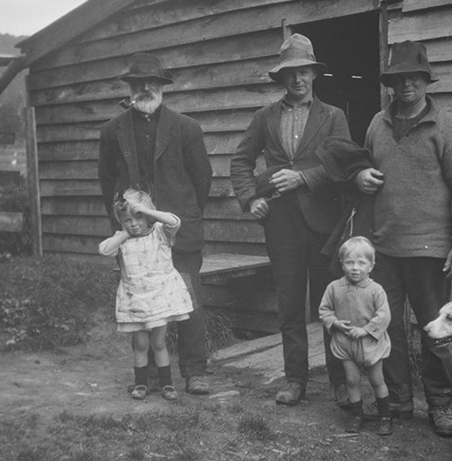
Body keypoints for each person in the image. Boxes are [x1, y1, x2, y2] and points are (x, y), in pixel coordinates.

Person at [355, 40, 452, 436]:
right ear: (390, 83)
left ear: (426, 80)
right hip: (384, 247)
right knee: (386, 327)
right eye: (398, 78)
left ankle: (440, 405)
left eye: (414, 77)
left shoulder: (446, 127)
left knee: (436, 331)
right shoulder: (377, 123)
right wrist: (360, 176)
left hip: (430, 249)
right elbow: (362, 167)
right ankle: (399, 400)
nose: (406, 84)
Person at [230, 34, 351, 407]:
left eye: (305, 72)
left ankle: (340, 382)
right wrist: (251, 200)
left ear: (314, 75)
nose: (298, 80)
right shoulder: (264, 117)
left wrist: (304, 178)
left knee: (331, 303)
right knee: (289, 304)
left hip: (323, 225)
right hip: (281, 225)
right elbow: (240, 162)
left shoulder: (333, 117)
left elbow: (343, 164)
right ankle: (295, 380)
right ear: (282, 78)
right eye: (291, 73)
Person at [99, 53, 213, 395]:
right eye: (137, 84)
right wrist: (126, 227)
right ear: (129, 89)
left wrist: (182, 218)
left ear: (163, 87)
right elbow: (107, 183)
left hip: (178, 233)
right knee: (141, 303)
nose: (144, 89)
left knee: (188, 300)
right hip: (135, 236)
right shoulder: (111, 132)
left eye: (151, 83)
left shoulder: (186, 129)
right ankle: (147, 375)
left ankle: (194, 371)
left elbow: (202, 180)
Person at [99, 189, 194, 401]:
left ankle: (167, 384)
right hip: (135, 300)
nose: (133, 223)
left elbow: (174, 221)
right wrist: (124, 233)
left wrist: (148, 210)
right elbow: (104, 250)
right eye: (127, 220)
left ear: (148, 215)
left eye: (138, 217)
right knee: (141, 345)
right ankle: (141, 383)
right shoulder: (122, 238)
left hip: (159, 298)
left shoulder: (160, 232)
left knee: (159, 343)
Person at [319, 237, 392, 435]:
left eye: (361, 263)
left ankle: (385, 416)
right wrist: (334, 322)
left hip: (370, 343)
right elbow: (324, 310)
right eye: (350, 262)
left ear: (371, 266)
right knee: (352, 380)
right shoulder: (334, 288)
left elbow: (384, 315)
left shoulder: (376, 290)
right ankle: (356, 414)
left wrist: (365, 330)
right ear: (342, 264)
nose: (355, 268)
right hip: (345, 343)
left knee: (377, 380)